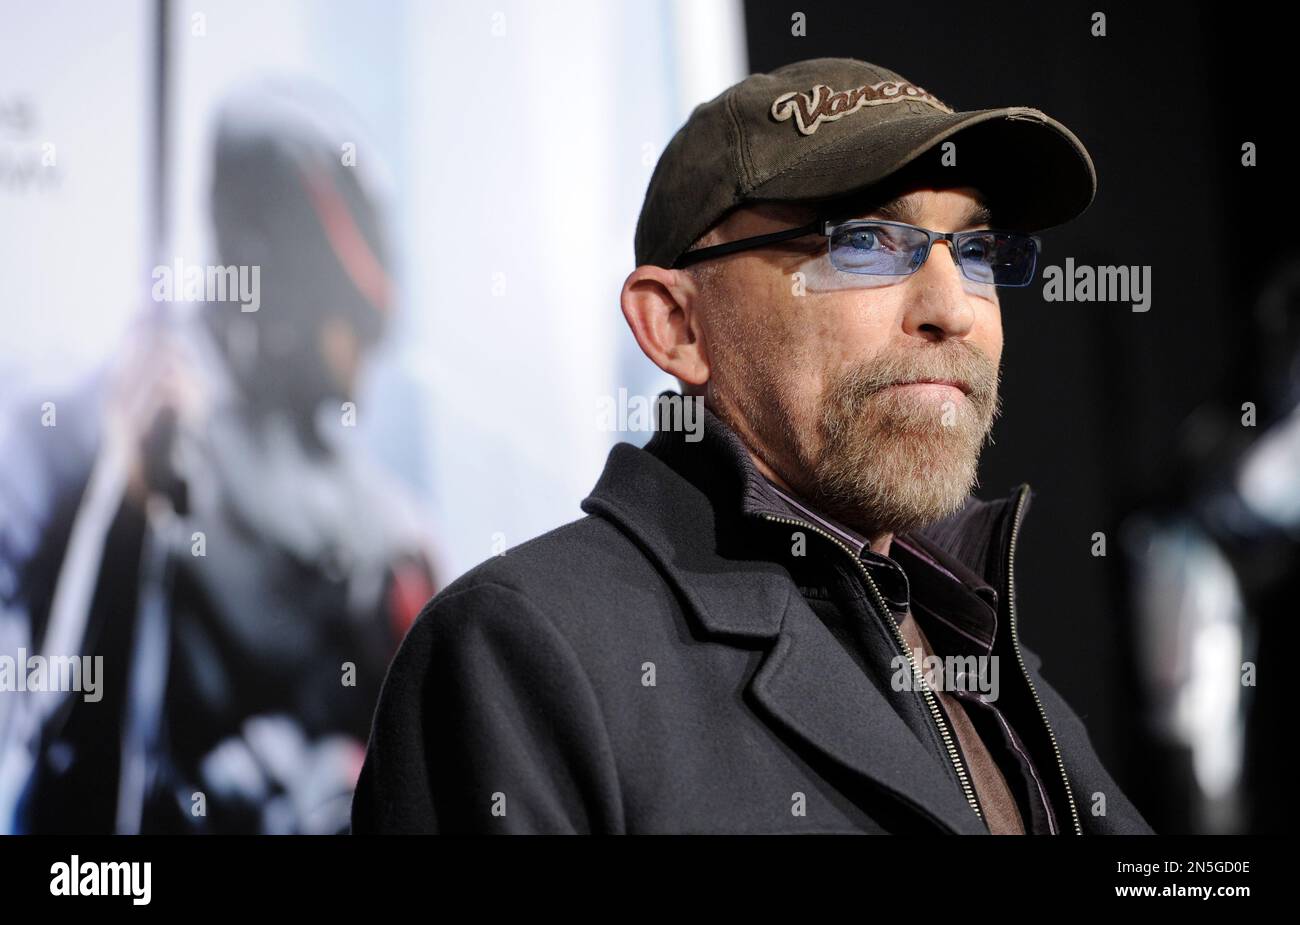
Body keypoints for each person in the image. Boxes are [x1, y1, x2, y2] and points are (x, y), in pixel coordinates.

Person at [351, 57, 1153, 834]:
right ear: (677, 324)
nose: (955, 308)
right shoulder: (521, 652)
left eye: (977, 251)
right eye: (865, 241)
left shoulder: (976, 642)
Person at [0, 80, 438, 834]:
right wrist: (124, 514)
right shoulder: (78, 440)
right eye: (344, 329)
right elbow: (34, 754)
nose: (358, 362)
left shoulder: (383, 533)